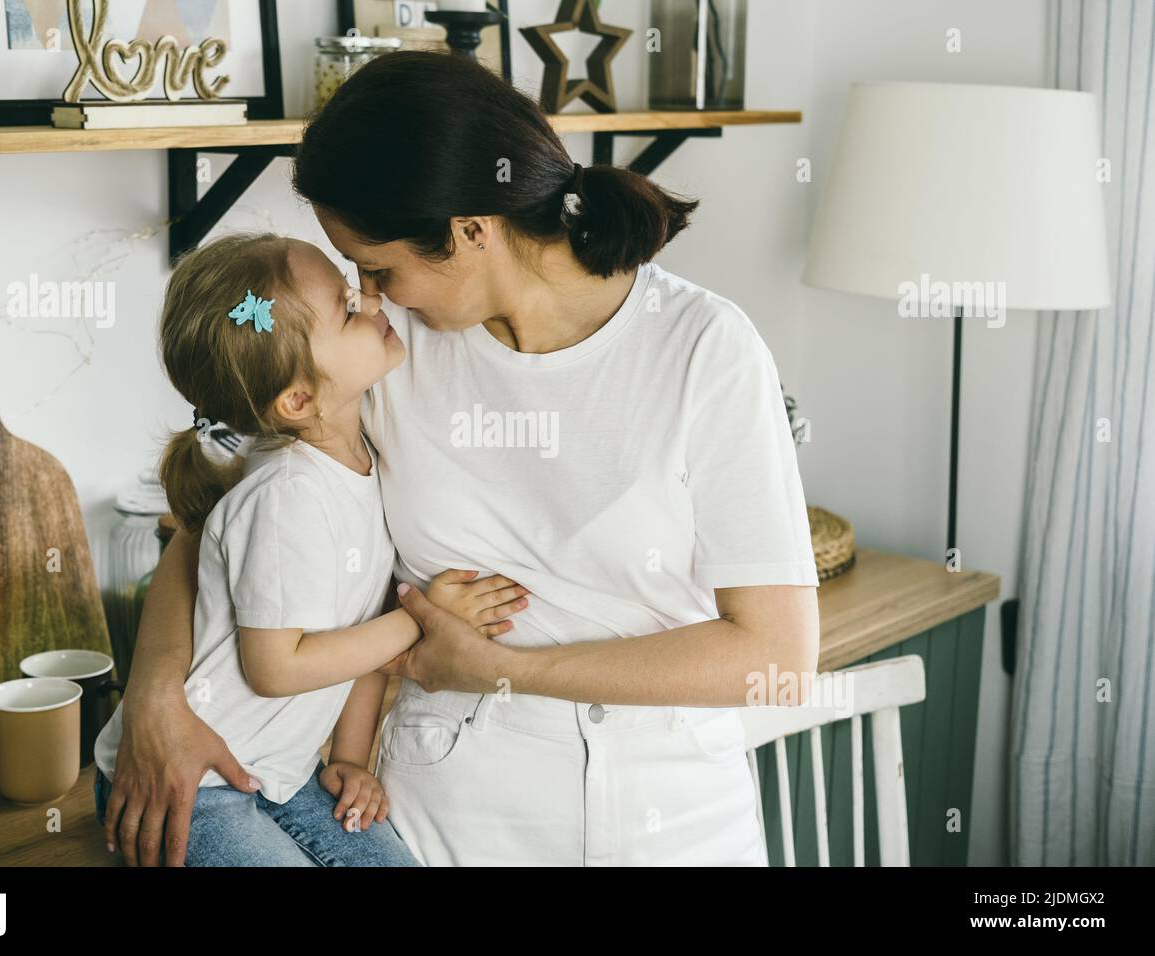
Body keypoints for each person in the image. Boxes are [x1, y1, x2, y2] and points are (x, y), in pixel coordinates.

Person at [107, 52, 820, 867]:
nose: (372, 295)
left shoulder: (703, 349)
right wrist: (155, 697)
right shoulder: (380, 352)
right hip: (442, 815)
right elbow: (214, 531)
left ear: (469, 230)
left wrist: (499, 667)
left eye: (379, 269)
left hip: (672, 814)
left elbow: (775, 657)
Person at [93, 231, 527, 865]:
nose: (374, 305)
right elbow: (278, 668)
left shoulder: (361, 458)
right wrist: (422, 619)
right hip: (194, 782)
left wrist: (351, 760)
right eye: (349, 309)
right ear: (297, 400)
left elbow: (356, 638)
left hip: (280, 773)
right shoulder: (285, 499)